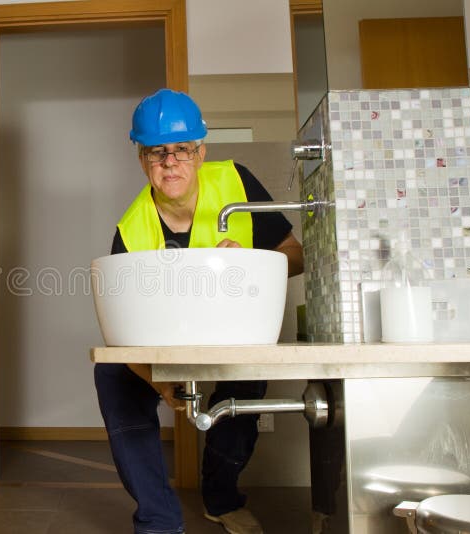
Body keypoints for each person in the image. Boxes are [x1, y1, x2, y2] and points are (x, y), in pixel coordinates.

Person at [93, 88, 304, 534]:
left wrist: (251, 260)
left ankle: (221, 498)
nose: (170, 163)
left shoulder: (237, 183)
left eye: (182, 150)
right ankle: (158, 519)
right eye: (157, 152)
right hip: (164, 337)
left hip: (234, 330)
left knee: (248, 375)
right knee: (112, 375)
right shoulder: (130, 231)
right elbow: (119, 331)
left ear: (201, 152)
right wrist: (158, 383)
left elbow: (295, 254)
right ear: (142, 159)